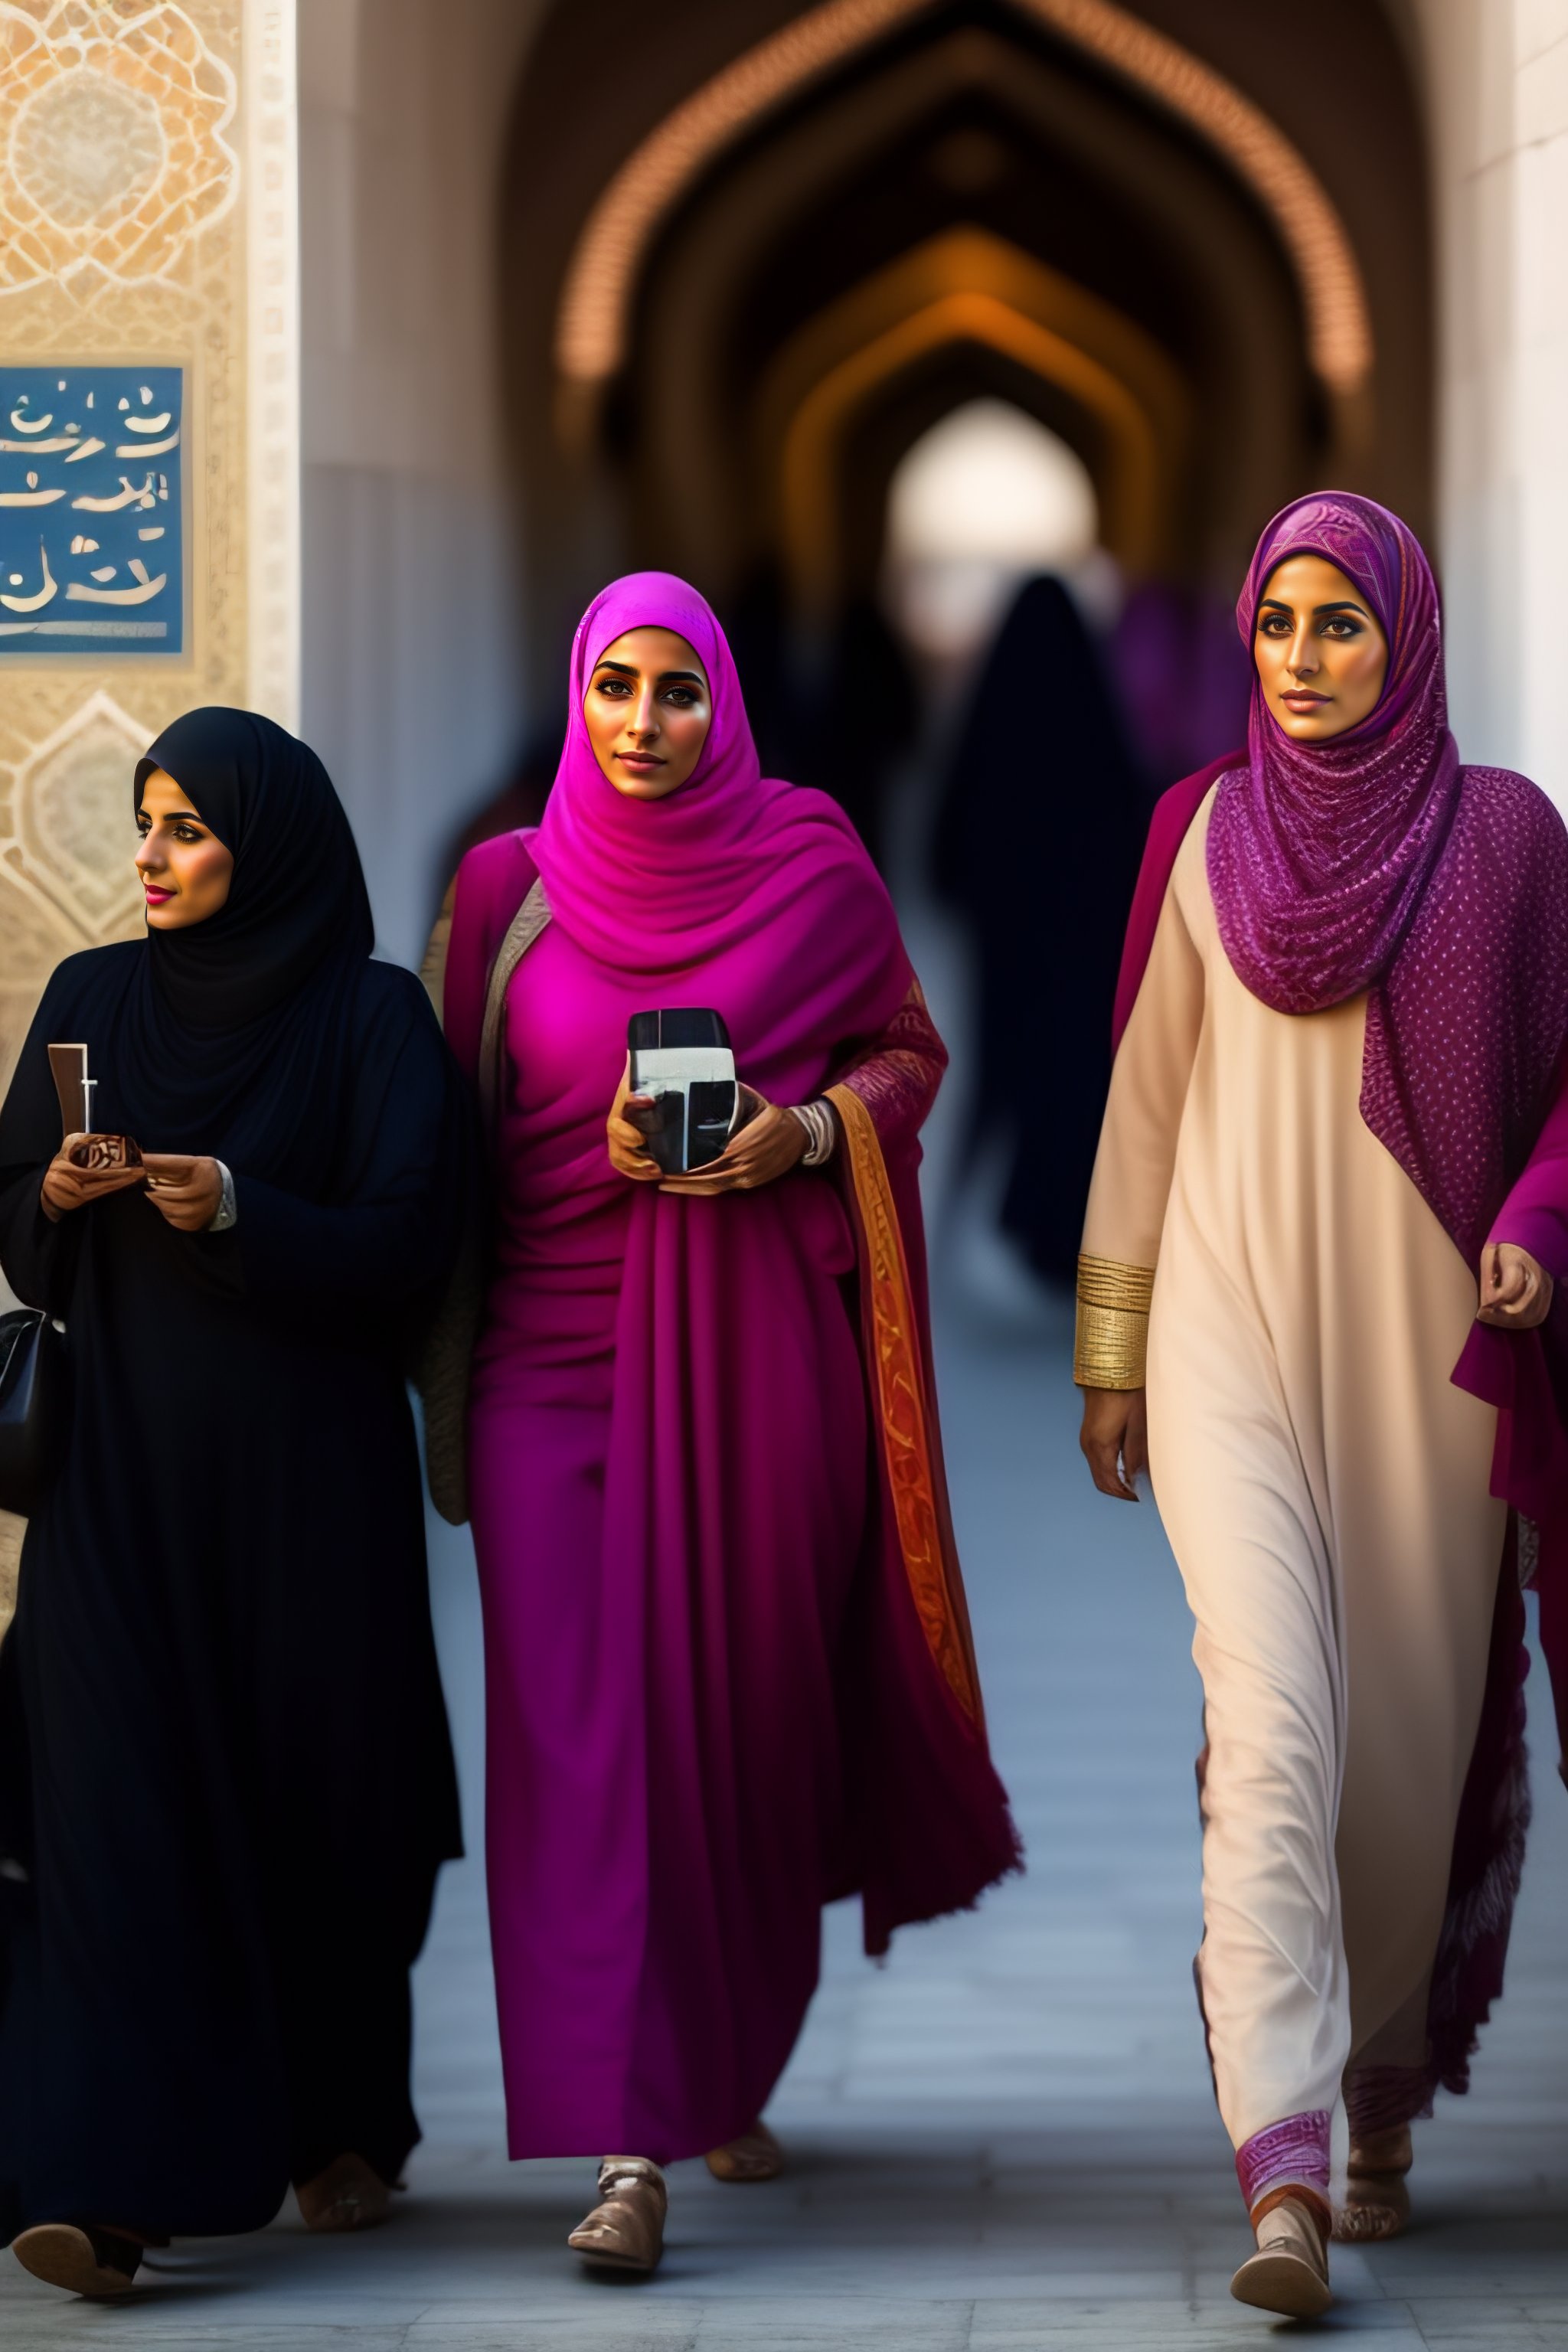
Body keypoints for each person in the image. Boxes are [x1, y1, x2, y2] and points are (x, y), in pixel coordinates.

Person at [437, 571, 1019, 2275]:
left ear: (723, 704)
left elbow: (909, 1049)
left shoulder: (812, 862)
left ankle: (726, 2053)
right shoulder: (505, 892)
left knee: (737, 1729)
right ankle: (626, 2136)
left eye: (673, 692)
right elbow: (446, 1135)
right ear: (577, 692)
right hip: (550, 1374)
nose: (638, 723)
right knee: (583, 1748)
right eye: (612, 687)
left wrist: (807, 1133)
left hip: (765, 1363)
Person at [1075, 492, 1568, 2318]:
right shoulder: (1194, 834)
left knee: (1402, 1753)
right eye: (1274, 622)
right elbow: (1141, 1096)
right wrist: (1111, 1343)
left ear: (1403, 635)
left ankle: (1375, 2080)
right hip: (1224, 1326)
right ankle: (1275, 2151)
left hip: (1429, 1348)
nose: (1297, 657)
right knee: (1274, 1714)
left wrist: (1532, 1227)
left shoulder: (1508, 838)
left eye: (1335, 624)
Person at [0, 709, 466, 2298]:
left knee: (318, 1823)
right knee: (113, 1824)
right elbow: (11, 1216)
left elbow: (416, 1235)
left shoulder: (370, 1021)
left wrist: (247, 1208)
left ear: (263, 846)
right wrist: (53, 1198)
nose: (150, 854)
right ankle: (111, 2194)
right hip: (114, 1492)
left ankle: (333, 2117)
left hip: (303, 1513)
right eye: (147, 821)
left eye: (188, 827)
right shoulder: (92, 1000)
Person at [933, 575, 1145, 1286]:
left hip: (1008, 943)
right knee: (1074, 1079)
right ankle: (1063, 1236)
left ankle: (966, 1227)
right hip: (1082, 945)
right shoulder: (1096, 731)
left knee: (1001, 1074)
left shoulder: (994, 726)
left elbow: (948, 850)